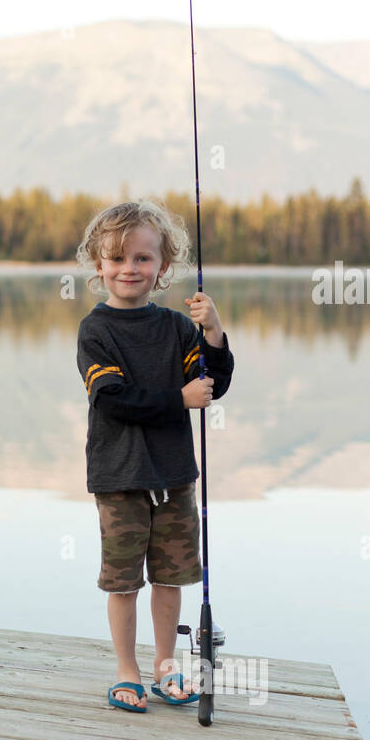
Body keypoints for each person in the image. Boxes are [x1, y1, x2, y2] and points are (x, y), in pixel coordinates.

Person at [74, 199, 234, 712]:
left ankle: (167, 668)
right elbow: (113, 400)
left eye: (142, 259)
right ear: (98, 265)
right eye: (117, 258)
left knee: (170, 578)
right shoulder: (94, 332)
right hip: (119, 477)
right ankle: (128, 670)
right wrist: (177, 400)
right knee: (123, 583)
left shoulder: (177, 328)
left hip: (174, 477)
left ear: (163, 267)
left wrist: (213, 336)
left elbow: (211, 386)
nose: (129, 268)